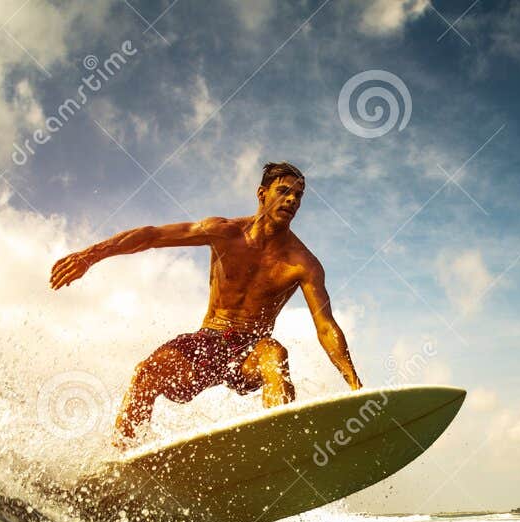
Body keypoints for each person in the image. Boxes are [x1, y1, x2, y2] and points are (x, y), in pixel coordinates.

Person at [48, 162, 363, 448]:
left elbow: (325, 326)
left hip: (250, 350)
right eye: (284, 192)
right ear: (262, 193)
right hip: (207, 341)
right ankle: (120, 459)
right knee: (147, 372)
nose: (293, 201)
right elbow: (151, 236)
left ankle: (278, 445)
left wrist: (355, 385)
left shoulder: (303, 264)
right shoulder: (225, 232)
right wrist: (91, 255)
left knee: (275, 354)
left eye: (299, 195)